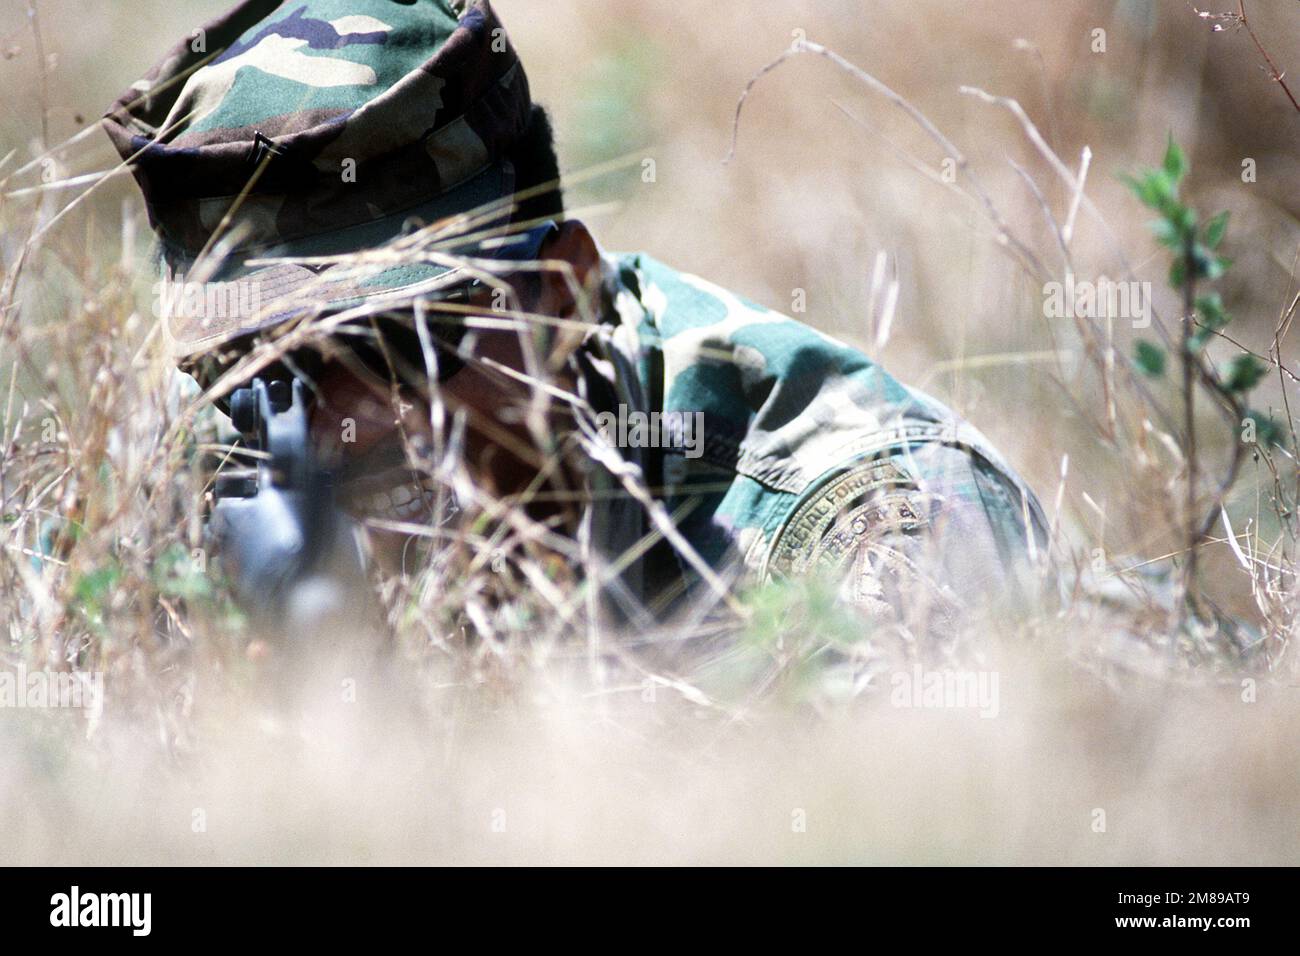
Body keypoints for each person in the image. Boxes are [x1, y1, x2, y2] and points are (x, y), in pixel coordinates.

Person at [104, 0, 1049, 638]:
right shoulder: (212, 490)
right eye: (267, 369)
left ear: (562, 297)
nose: (351, 419)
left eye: (408, 340)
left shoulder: (850, 507)